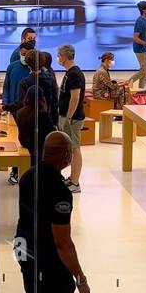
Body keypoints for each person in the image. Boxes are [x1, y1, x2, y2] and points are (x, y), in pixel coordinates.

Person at [9, 130, 91, 293]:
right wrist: (80, 277)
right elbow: (62, 243)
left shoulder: (28, 176)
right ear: (66, 156)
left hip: (23, 248)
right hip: (46, 257)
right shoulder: (59, 190)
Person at [3, 41, 36, 185]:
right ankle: (15, 170)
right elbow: (6, 87)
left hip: (28, 112)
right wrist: (5, 105)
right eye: (21, 53)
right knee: (14, 141)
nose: (23, 56)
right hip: (13, 109)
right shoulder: (12, 67)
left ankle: (22, 171)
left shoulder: (34, 71)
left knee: (26, 142)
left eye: (26, 54)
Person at [55, 44, 86, 193]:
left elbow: (75, 97)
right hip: (66, 117)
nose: (58, 59)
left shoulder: (75, 74)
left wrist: (69, 116)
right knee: (71, 148)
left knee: (75, 148)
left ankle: (75, 182)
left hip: (72, 119)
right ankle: (72, 178)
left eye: (59, 56)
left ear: (65, 56)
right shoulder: (69, 73)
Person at [15, 85, 57, 170]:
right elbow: (52, 133)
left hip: (25, 144)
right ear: (42, 99)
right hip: (39, 150)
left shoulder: (20, 112)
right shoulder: (42, 114)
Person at [20, 50, 58, 114]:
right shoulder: (51, 80)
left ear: (27, 64)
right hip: (47, 119)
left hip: (30, 119)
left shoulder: (24, 83)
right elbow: (55, 102)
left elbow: (21, 104)